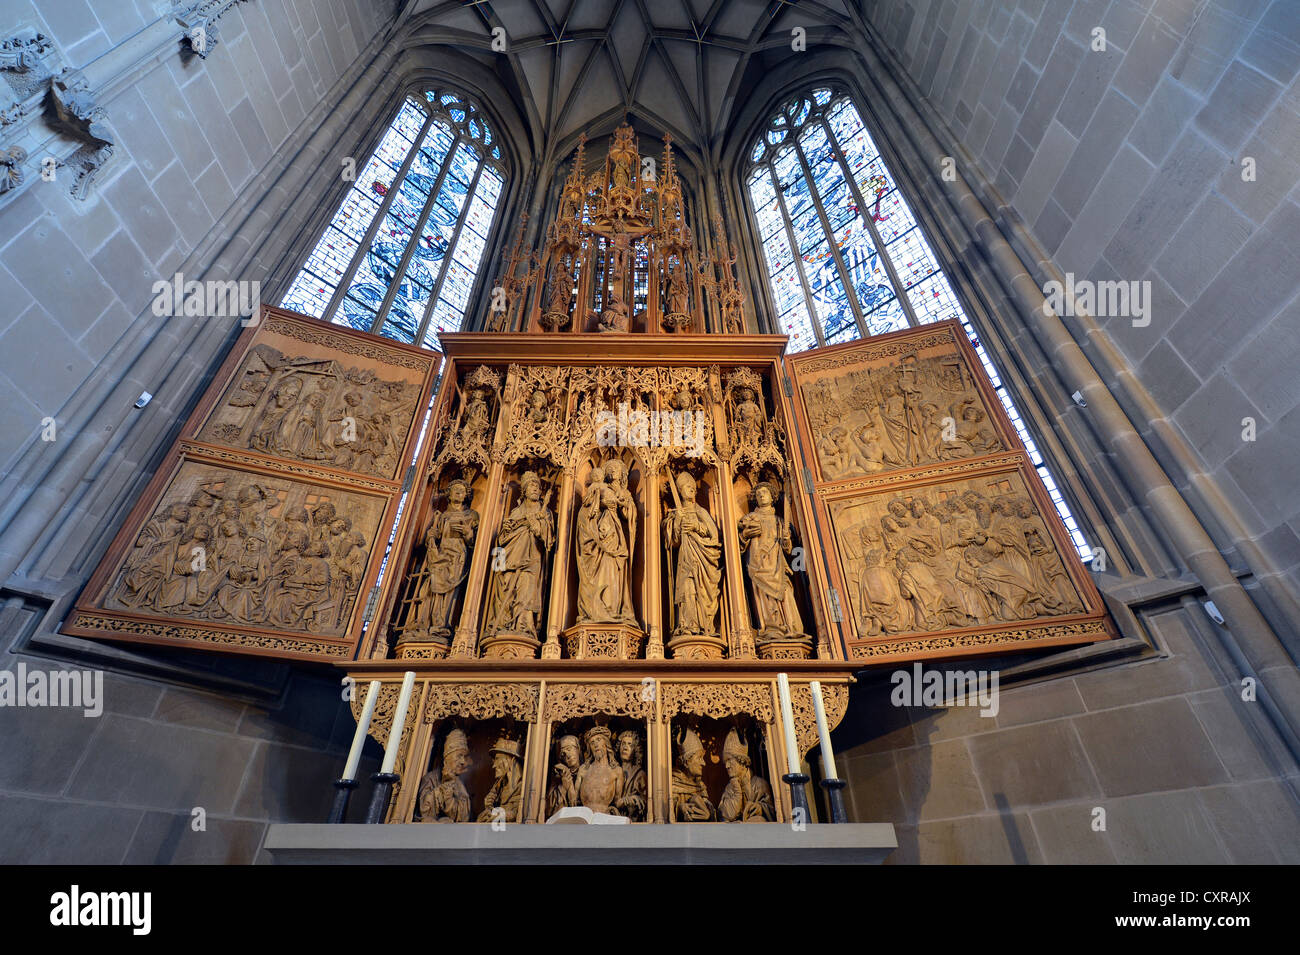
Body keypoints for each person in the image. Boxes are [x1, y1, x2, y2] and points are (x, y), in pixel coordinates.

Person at [482, 471, 554, 639]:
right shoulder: (515, 512)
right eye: (532, 487)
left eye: (537, 487)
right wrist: (506, 532)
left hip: (531, 559)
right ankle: (503, 624)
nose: (535, 490)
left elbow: (548, 540)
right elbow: (500, 544)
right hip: (509, 559)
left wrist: (538, 527)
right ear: (524, 491)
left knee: (526, 591)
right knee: (505, 589)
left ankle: (523, 627)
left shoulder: (544, 512)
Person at [738, 482, 805, 641]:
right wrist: (745, 536)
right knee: (765, 599)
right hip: (759, 567)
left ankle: (791, 628)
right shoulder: (749, 518)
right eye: (759, 493)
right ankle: (772, 630)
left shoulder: (780, 521)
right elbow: (738, 546)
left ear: (773, 496)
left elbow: (793, 553)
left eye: (765, 492)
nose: (762, 495)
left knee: (786, 592)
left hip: (778, 566)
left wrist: (787, 539)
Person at [663, 471, 721, 638]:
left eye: (692, 488)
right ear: (680, 491)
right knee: (687, 589)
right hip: (685, 558)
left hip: (701, 559)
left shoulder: (700, 511)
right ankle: (688, 625)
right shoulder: (675, 514)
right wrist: (678, 522)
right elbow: (673, 542)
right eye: (686, 488)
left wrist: (697, 526)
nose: (690, 490)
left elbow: (714, 536)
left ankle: (704, 626)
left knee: (701, 590)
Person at [718, 729, 774, 822]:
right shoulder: (729, 789)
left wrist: (760, 808)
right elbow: (725, 816)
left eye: (729, 760)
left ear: (741, 760)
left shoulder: (759, 784)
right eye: (725, 762)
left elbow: (771, 812)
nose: (727, 766)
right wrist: (737, 793)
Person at [417, 728, 471, 823]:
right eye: (459, 756)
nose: (463, 761)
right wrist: (443, 789)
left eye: (464, 756)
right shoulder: (430, 779)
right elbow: (424, 810)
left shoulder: (459, 784)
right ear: (447, 757)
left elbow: (464, 817)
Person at [671, 726, 717, 822]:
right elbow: (666, 812)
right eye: (699, 758)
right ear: (687, 762)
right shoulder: (672, 783)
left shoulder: (700, 785)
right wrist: (680, 808)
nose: (703, 763)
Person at [477, 737, 524, 823]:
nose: (494, 765)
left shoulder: (523, 787)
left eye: (498, 759)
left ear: (511, 760)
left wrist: (501, 815)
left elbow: (520, 813)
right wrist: (488, 807)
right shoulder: (498, 786)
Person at [613, 730, 647, 821]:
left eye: (630, 745)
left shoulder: (639, 774)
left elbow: (645, 800)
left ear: (635, 750)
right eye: (623, 744)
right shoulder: (612, 771)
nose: (625, 747)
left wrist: (629, 800)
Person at [546, 734, 581, 815]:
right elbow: (550, 811)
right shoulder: (558, 779)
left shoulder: (588, 772)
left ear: (578, 749)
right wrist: (564, 787)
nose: (567, 756)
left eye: (569, 749)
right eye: (562, 753)